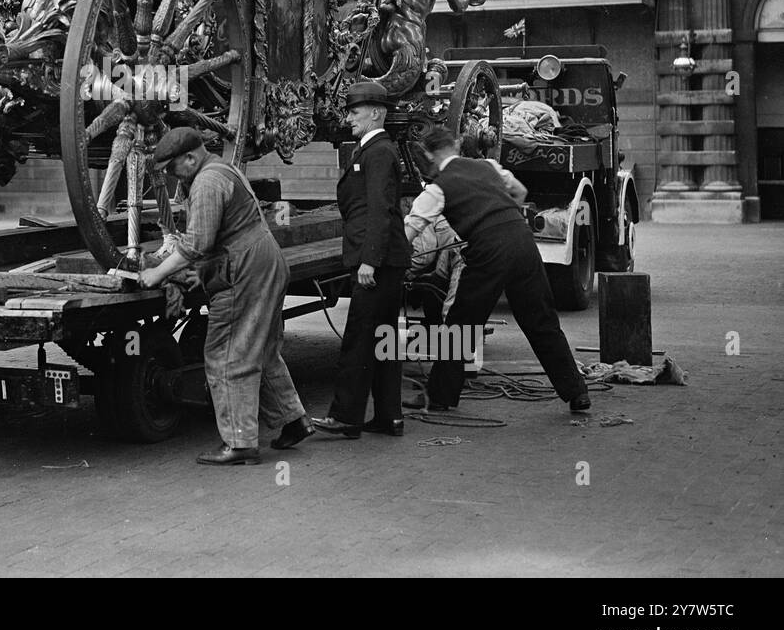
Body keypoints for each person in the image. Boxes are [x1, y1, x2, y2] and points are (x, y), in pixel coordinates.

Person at [138, 127, 310, 465]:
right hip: (265, 262)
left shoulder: (206, 182)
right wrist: (201, 273)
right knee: (262, 350)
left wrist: (156, 273)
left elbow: (196, 244)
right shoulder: (224, 169)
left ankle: (240, 443)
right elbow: (226, 233)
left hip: (245, 270)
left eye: (173, 168)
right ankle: (295, 420)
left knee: (227, 353)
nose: (171, 176)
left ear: (190, 157)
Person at [403, 125, 590, 413]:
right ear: (455, 145)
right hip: (523, 243)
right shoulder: (488, 166)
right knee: (542, 321)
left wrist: (391, 258)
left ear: (428, 154)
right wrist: (503, 219)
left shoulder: (438, 187)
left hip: (488, 252)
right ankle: (577, 393)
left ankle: (439, 397)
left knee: (460, 324)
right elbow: (520, 191)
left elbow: (413, 226)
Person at [312, 81, 412, 440]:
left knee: (359, 337)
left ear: (376, 113)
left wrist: (369, 261)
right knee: (383, 337)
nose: (349, 118)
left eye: (354, 112)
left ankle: (346, 416)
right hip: (386, 260)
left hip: (378, 263)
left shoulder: (379, 152)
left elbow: (381, 211)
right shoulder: (372, 150)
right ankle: (389, 417)